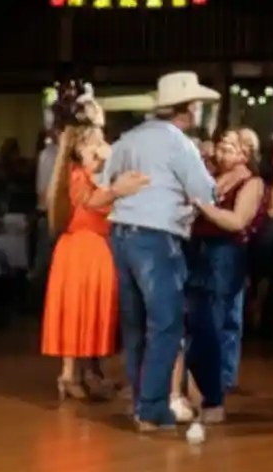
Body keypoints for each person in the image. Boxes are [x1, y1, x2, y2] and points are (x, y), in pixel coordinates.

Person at [100, 72, 218, 431]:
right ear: (189, 108)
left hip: (121, 234)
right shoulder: (180, 144)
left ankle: (141, 405)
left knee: (135, 325)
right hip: (157, 237)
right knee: (165, 325)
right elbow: (204, 191)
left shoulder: (128, 139)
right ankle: (151, 408)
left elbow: (107, 185)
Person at [42, 111, 149, 400]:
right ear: (78, 147)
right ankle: (69, 374)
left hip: (96, 248)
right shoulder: (76, 176)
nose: (102, 145)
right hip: (82, 250)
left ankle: (89, 372)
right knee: (77, 311)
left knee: (93, 312)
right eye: (94, 140)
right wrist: (116, 189)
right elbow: (91, 201)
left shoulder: (95, 173)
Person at [185, 128, 266, 421]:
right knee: (198, 319)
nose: (221, 152)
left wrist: (203, 207)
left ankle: (213, 390)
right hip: (200, 249)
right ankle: (200, 387)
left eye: (228, 148)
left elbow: (237, 221)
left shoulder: (252, 182)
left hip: (225, 252)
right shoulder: (213, 177)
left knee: (216, 322)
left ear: (244, 153)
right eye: (220, 147)